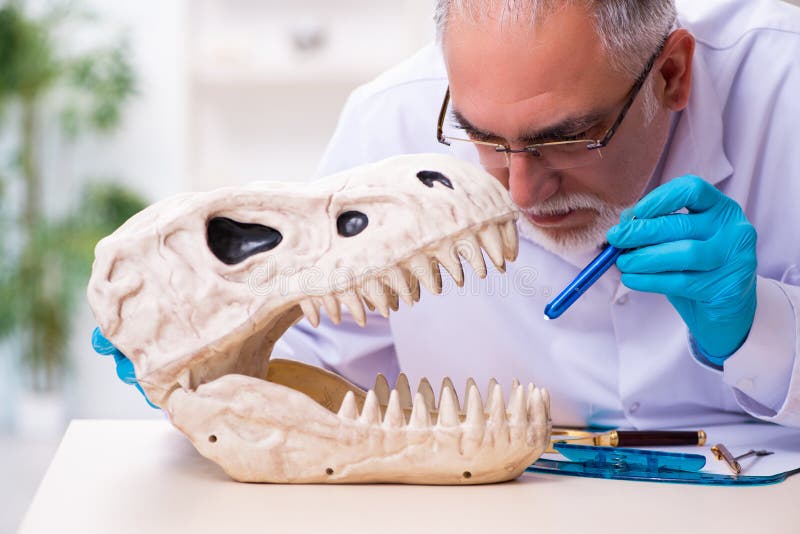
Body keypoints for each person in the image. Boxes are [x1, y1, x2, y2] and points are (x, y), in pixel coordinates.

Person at [97, 0, 800, 429]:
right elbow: (318, 366)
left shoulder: (785, 90)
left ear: (672, 74)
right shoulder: (390, 122)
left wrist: (759, 327)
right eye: (484, 138)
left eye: (567, 138)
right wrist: (214, 357)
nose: (521, 192)